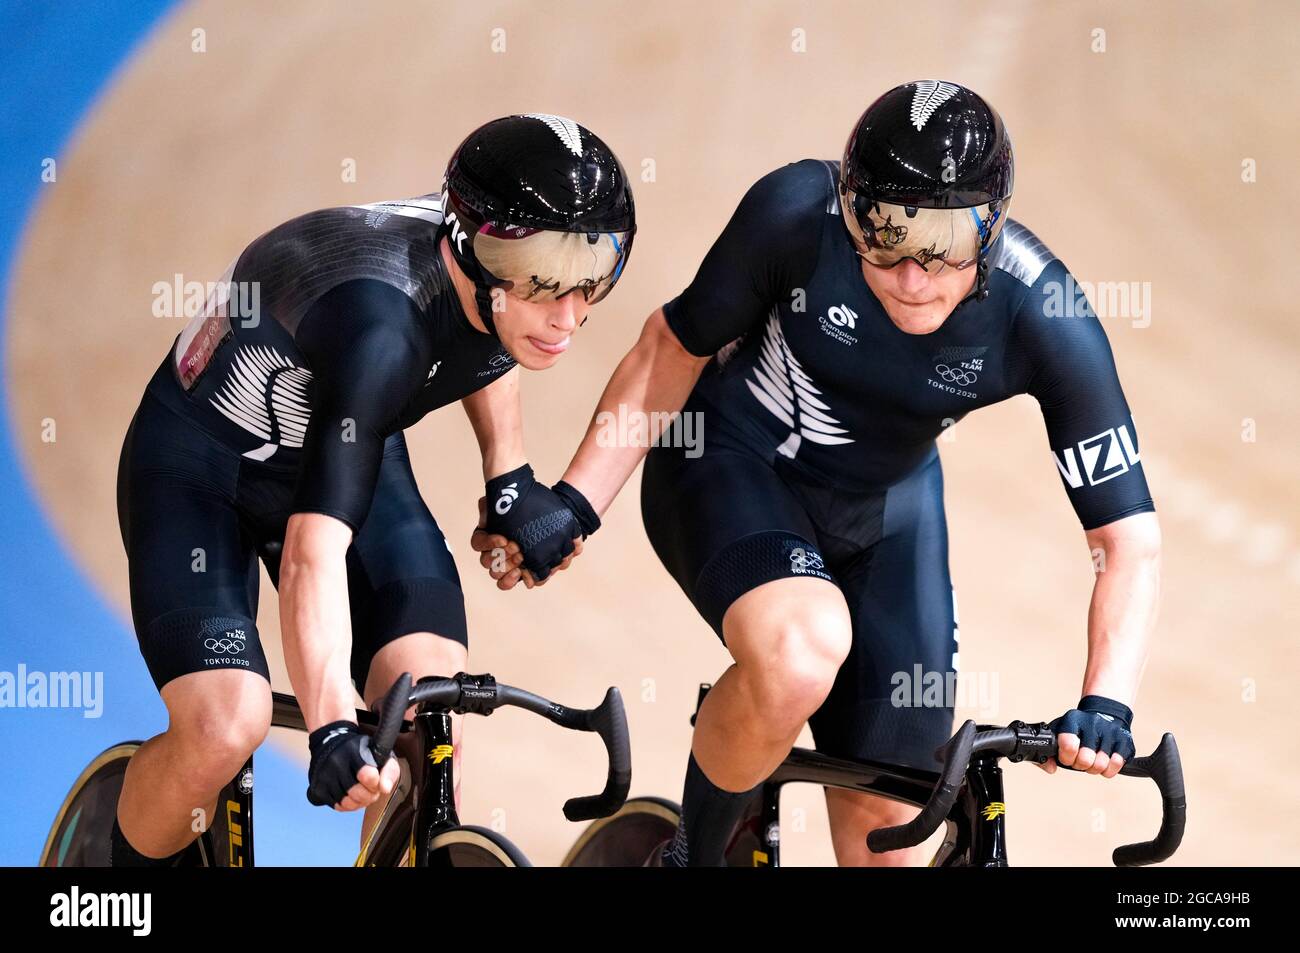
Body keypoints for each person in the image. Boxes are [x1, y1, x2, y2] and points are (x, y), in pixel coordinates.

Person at [476, 81, 1161, 866]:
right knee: (802, 652)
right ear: (847, 206)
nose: (912, 272)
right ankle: (688, 858)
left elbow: (1126, 536)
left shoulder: (1044, 313)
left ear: (994, 225)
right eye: (886, 233)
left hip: (887, 513)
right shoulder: (794, 214)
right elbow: (673, 346)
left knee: (890, 829)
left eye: (943, 242)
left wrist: (1107, 699)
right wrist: (577, 502)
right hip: (729, 462)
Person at [111, 113, 631, 865]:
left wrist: (508, 476)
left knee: (427, 695)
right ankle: (115, 891)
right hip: (201, 471)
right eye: (547, 288)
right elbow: (309, 555)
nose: (569, 317)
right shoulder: (381, 328)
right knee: (229, 722)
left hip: (350, 442)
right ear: (469, 251)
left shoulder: (500, 249)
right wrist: (327, 725)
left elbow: (487, 343)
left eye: (594, 280)